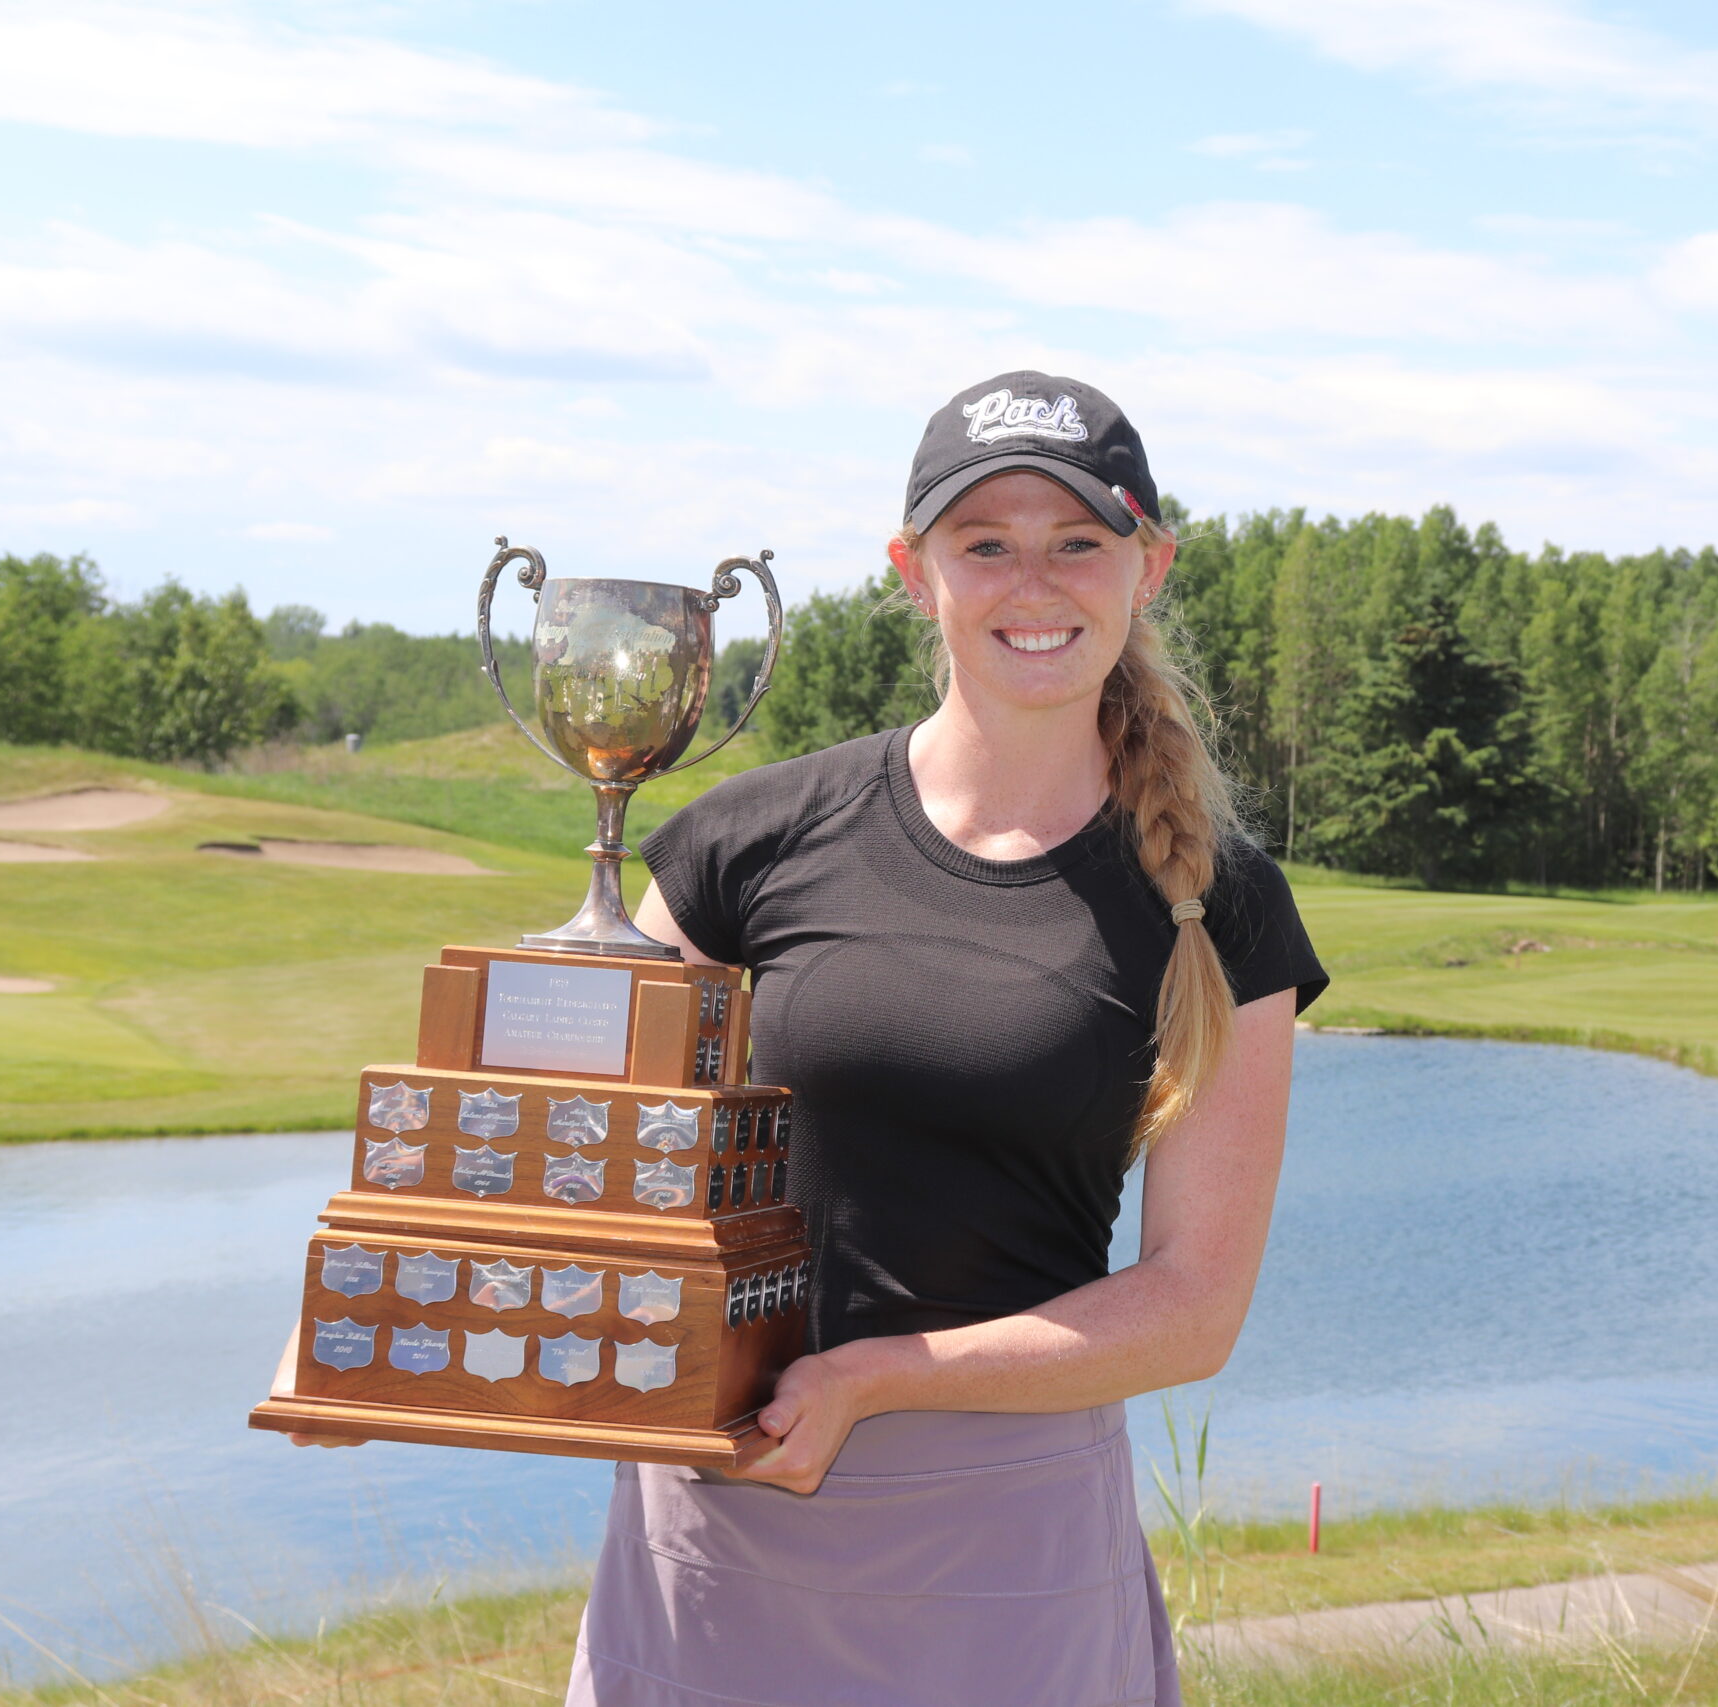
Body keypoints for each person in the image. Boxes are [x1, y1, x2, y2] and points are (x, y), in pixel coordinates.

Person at [564, 371, 1327, 1707]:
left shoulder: (1222, 902)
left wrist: (878, 1379)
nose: (1034, 585)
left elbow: (1193, 1309)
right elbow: (606, 1177)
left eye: (1076, 542)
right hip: (727, 1508)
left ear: (1147, 566)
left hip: (1008, 1536)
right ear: (915, 572)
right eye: (987, 545)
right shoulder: (742, 845)